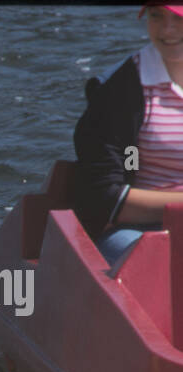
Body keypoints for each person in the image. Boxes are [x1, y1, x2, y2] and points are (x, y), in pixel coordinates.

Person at [73, 2, 183, 264]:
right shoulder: (119, 90)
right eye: (157, 16)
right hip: (141, 229)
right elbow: (103, 196)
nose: (167, 30)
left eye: (179, 18)